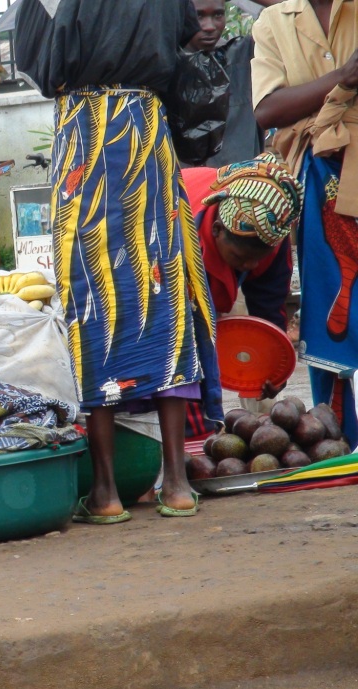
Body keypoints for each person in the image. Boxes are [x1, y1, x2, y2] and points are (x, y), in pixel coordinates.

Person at [14, 0, 221, 522]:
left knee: (92, 305)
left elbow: (39, 63)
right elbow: (184, 34)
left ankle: (105, 493)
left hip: (84, 141)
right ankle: (175, 482)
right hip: (146, 136)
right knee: (164, 298)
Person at [252, 0, 358, 447]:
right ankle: (338, 437)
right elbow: (267, 110)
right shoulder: (274, 21)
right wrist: (341, 79)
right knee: (331, 303)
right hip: (320, 177)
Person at [181, 154, 302, 436]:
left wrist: (273, 366)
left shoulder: (271, 233)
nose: (250, 266)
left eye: (257, 260)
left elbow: (269, 309)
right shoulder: (184, 232)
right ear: (217, 231)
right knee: (185, 376)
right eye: (241, 257)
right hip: (166, 267)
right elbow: (186, 339)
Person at [186, 0, 266, 167]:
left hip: (240, 185)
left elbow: (290, 13)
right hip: (187, 187)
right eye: (199, 15)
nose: (209, 26)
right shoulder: (163, 64)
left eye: (217, 15)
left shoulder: (244, 56)